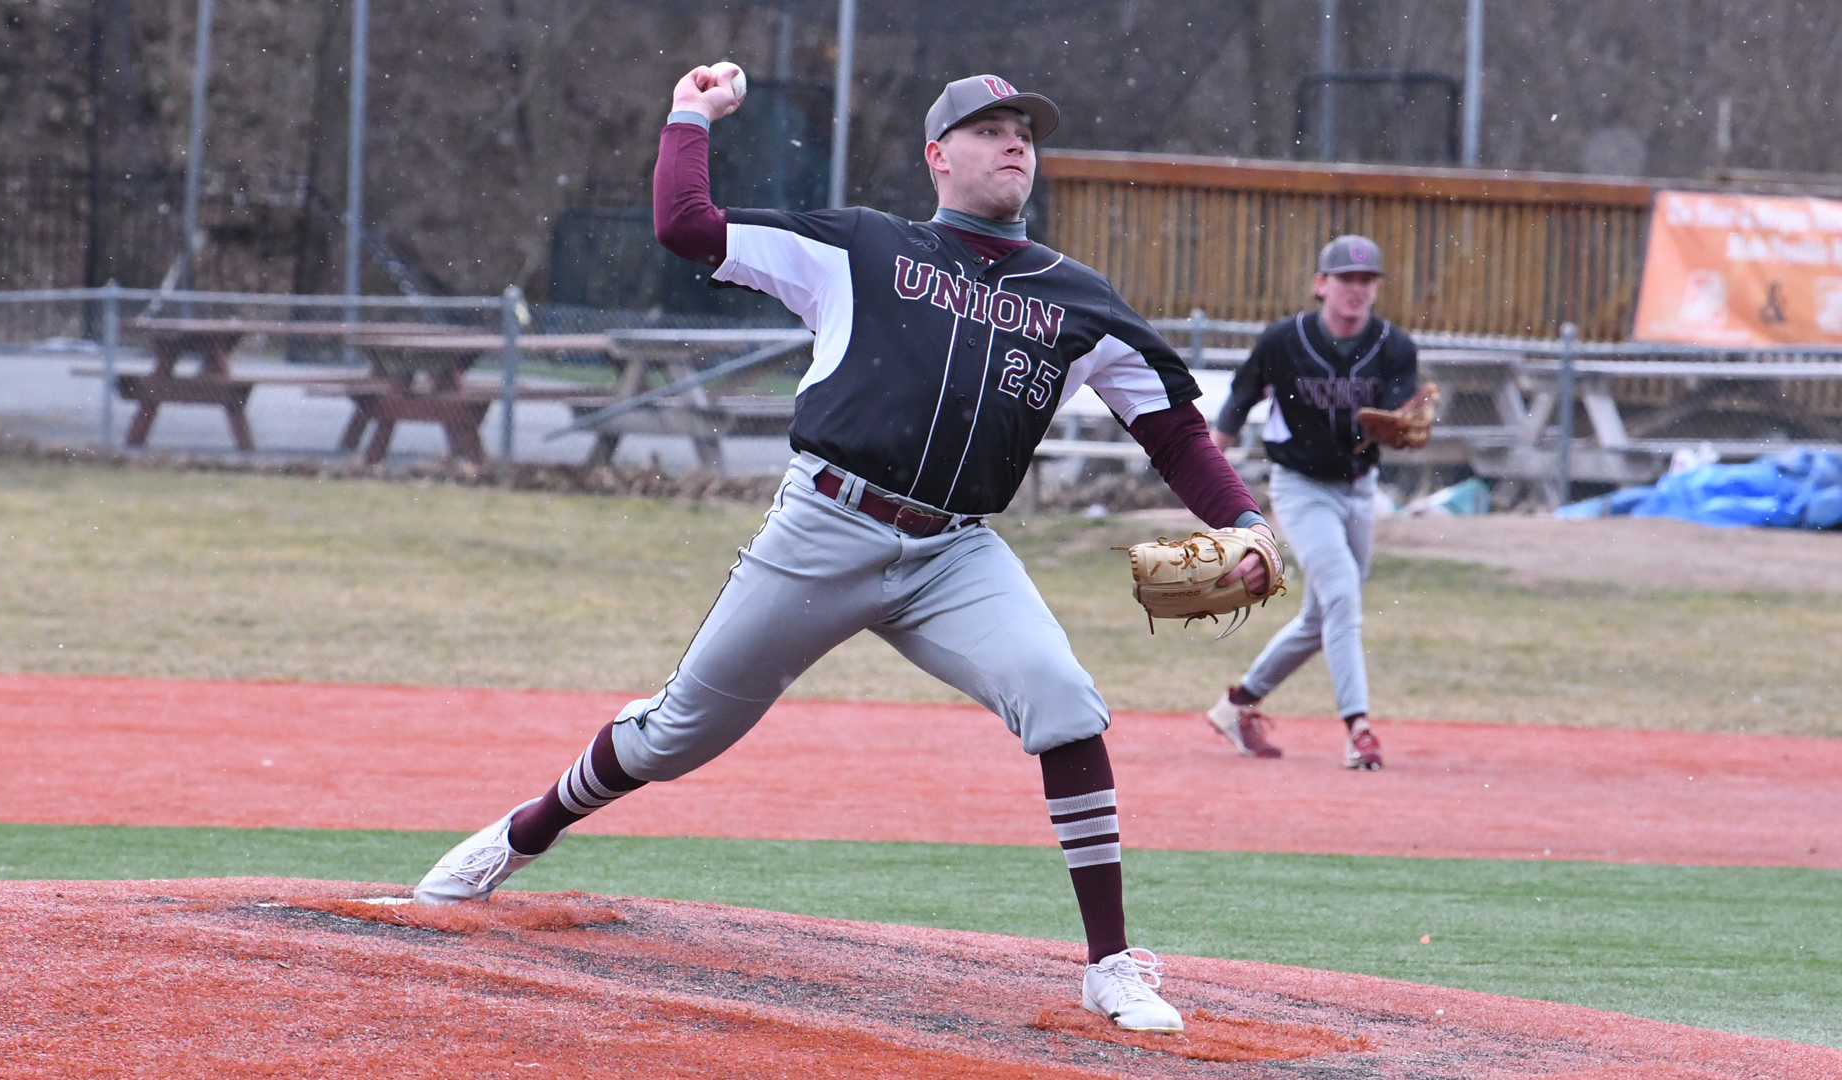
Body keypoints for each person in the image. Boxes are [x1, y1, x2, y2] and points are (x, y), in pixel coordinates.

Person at [414, 68, 1275, 1033]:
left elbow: (1177, 434)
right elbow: (686, 226)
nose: (1014, 143)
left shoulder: (1080, 302)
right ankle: (522, 834)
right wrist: (690, 116)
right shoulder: (859, 245)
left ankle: (1111, 964)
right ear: (937, 157)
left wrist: (1242, 521)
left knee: (1065, 701)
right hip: (827, 525)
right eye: (987, 128)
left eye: (1023, 130)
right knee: (674, 736)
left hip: (956, 555)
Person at [1205, 236, 1419, 770]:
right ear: (1320, 284)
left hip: (1360, 490)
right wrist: (1203, 484)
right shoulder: (1283, 341)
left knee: (1322, 616)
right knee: (1343, 596)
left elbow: (1403, 420)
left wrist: (1405, 427)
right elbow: (1235, 408)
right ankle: (1359, 730)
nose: (1357, 289)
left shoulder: (1394, 346)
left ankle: (1237, 707)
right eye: (1345, 278)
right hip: (1300, 488)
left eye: (1367, 281)